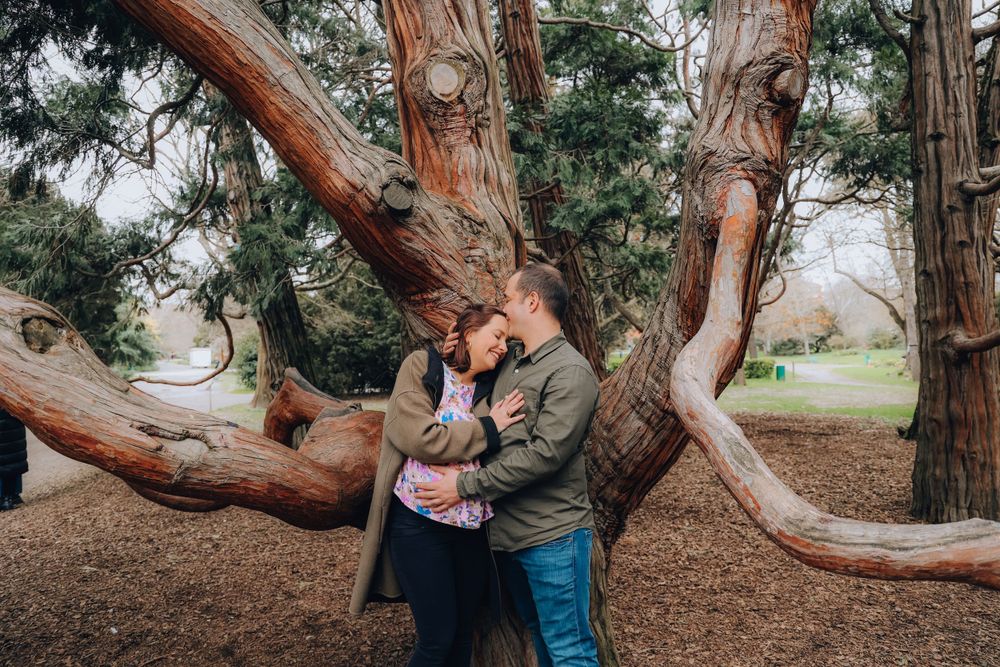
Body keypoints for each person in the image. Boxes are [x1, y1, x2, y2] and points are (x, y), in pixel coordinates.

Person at [416, 263, 602, 667]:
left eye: (507, 298)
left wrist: (463, 487)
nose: (503, 306)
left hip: (552, 536)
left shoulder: (570, 372)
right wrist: (455, 353)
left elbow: (545, 455)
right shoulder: (512, 361)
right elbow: (468, 387)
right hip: (508, 538)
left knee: (570, 651)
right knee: (540, 637)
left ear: (531, 301)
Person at [349, 303, 526, 667]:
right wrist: (488, 428)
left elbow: (530, 352)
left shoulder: (491, 389)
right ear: (469, 333)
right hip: (419, 527)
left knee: (463, 636)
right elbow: (420, 438)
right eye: (496, 335)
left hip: (471, 530)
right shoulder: (423, 368)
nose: (503, 346)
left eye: (507, 340)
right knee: (436, 640)